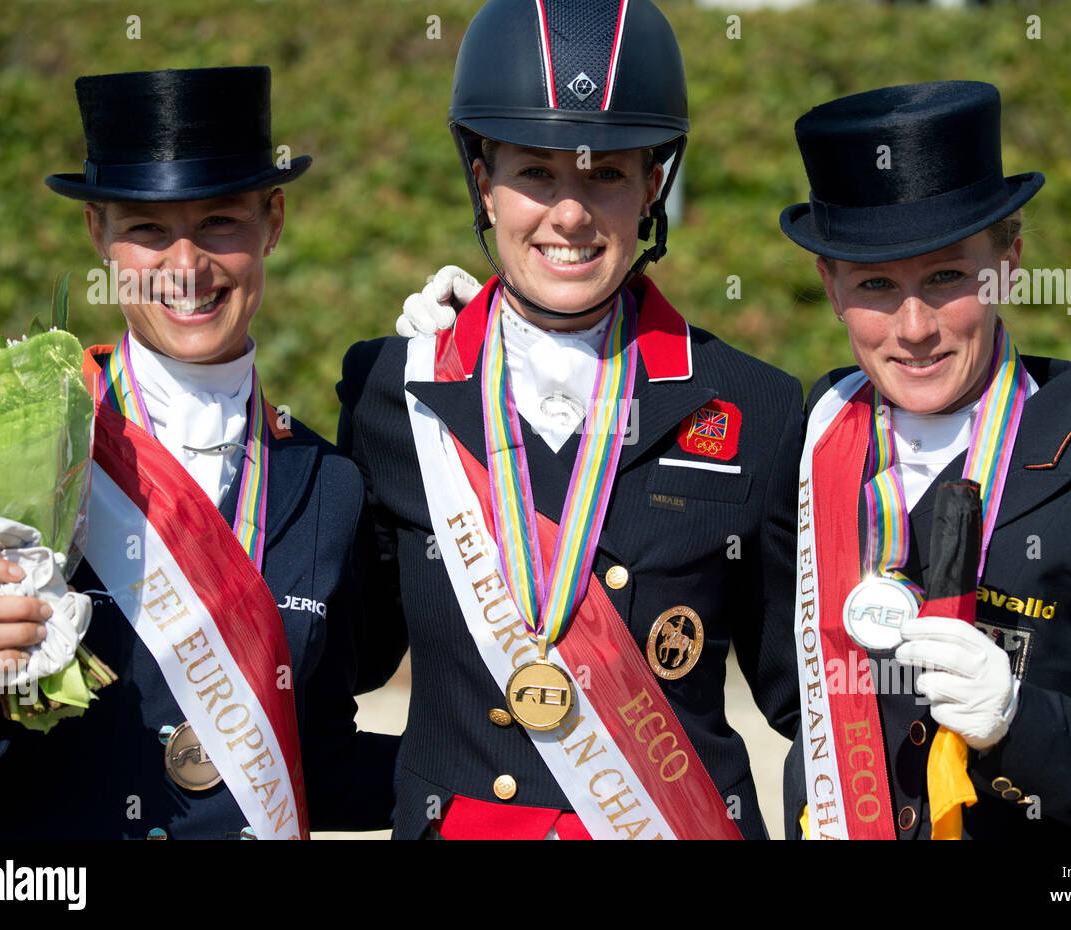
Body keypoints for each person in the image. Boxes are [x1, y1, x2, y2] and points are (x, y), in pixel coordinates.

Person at [338, 0, 803, 839]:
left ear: (652, 185)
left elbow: (806, 701)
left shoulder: (756, 407)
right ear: (483, 183)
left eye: (606, 175)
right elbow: (341, 658)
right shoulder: (389, 392)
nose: (570, 213)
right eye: (536, 174)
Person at [0, 67, 404, 838]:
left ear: (272, 221)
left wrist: (505, 778)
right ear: (98, 234)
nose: (186, 266)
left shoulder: (328, 487)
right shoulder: (6, 447)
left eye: (220, 221)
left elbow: (315, 765)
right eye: (149, 230)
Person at [777, 80, 1071, 840]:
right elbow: (784, 698)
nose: (915, 327)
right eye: (876, 285)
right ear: (831, 285)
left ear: (1008, 263)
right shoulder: (798, 455)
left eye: (948, 277)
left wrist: (1022, 726)